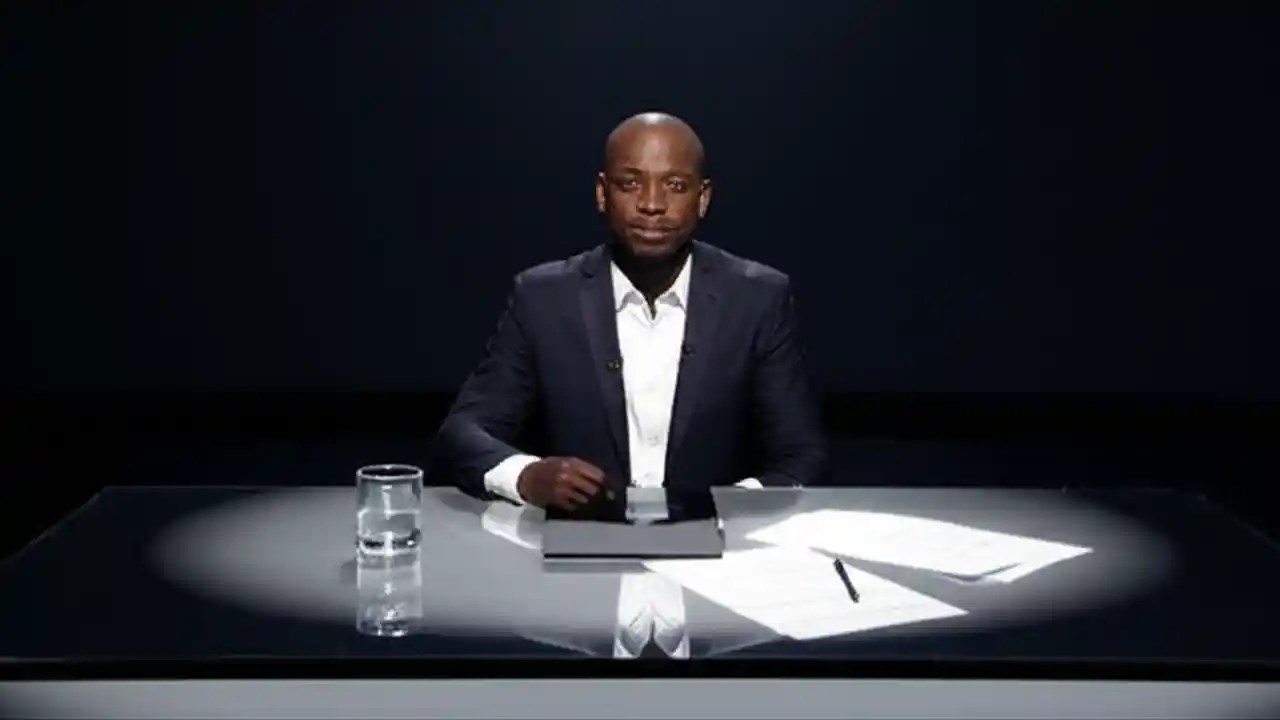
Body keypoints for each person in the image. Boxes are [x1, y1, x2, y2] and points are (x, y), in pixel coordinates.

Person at [433, 111, 827, 510]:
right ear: (602, 193)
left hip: (716, 557)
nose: (652, 204)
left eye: (675, 185)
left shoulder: (757, 298)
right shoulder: (543, 298)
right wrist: (525, 476)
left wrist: (726, 509)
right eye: (630, 183)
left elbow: (801, 455)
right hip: (578, 555)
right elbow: (463, 432)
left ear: (703, 198)